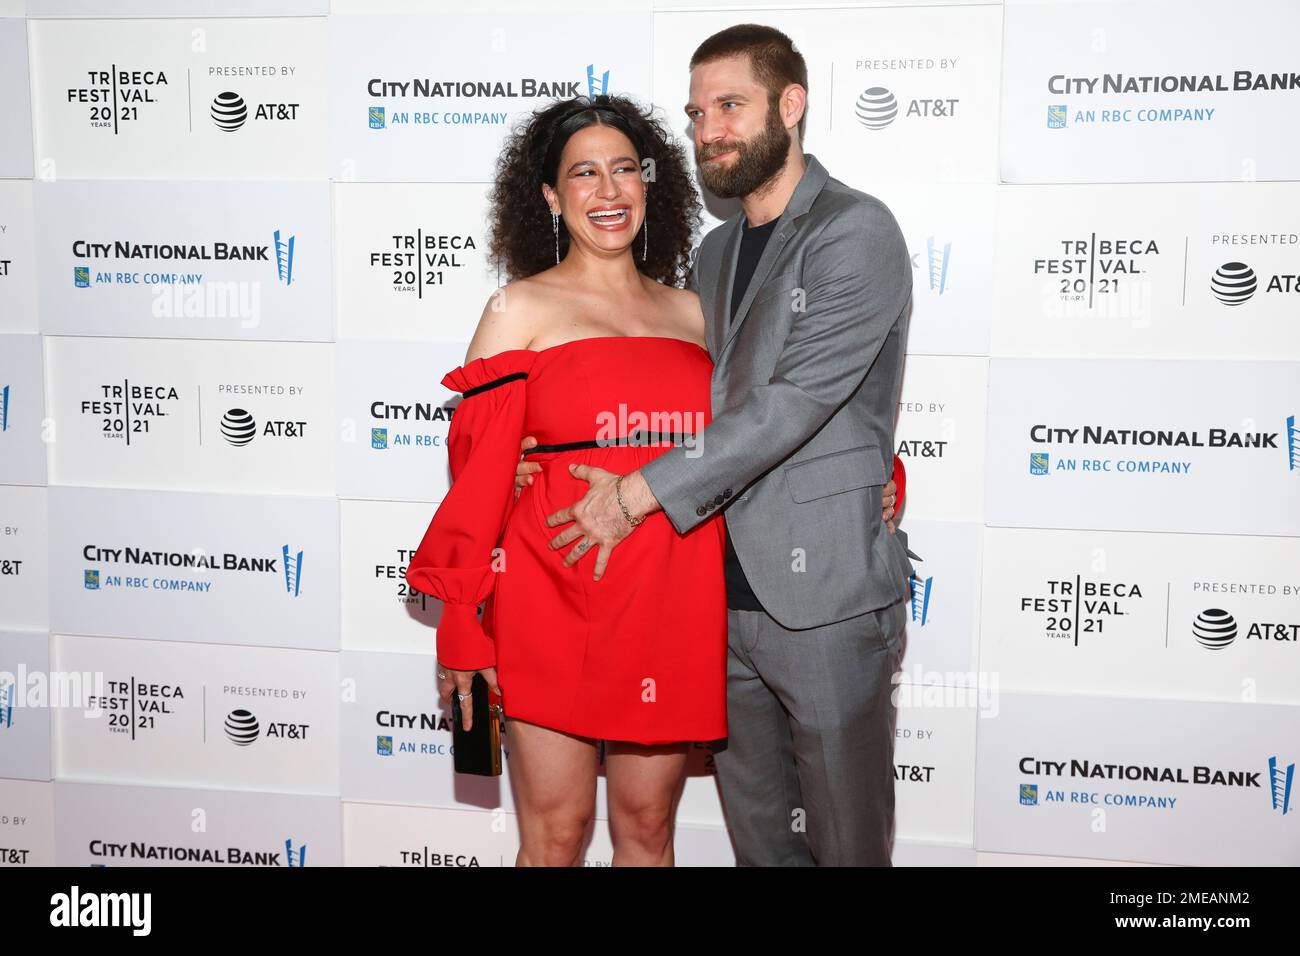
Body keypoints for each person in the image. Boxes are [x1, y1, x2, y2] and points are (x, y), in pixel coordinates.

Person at [523, 25, 916, 866]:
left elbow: (796, 401)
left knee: (847, 846)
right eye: (698, 114)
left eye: (730, 107)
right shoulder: (716, 250)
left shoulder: (856, 230)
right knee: (762, 848)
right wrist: (535, 452)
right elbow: (685, 403)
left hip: (826, 603)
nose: (709, 132)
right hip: (710, 601)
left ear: (792, 105)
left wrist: (631, 495)